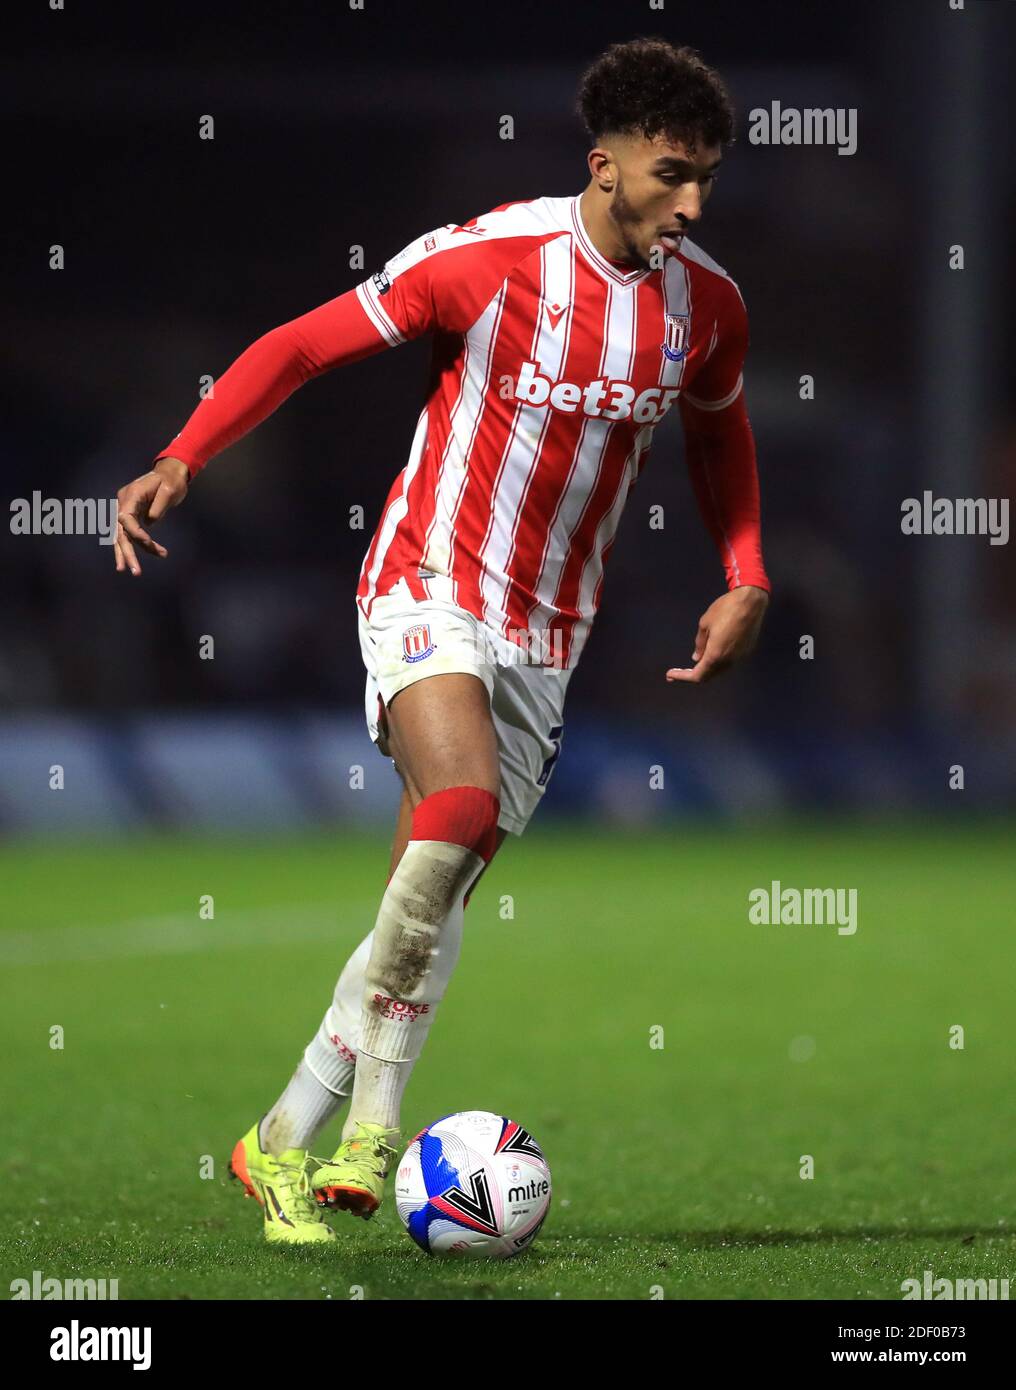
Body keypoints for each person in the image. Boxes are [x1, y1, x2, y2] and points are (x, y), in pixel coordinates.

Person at [112, 36, 770, 1243]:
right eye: (671, 172)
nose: (690, 200)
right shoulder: (489, 258)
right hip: (428, 574)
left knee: (436, 885)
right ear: (604, 164)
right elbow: (302, 343)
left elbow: (720, 438)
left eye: (706, 179)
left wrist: (744, 572)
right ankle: (374, 1126)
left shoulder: (706, 307)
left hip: (548, 629)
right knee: (456, 812)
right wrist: (183, 454)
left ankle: (276, 1139)